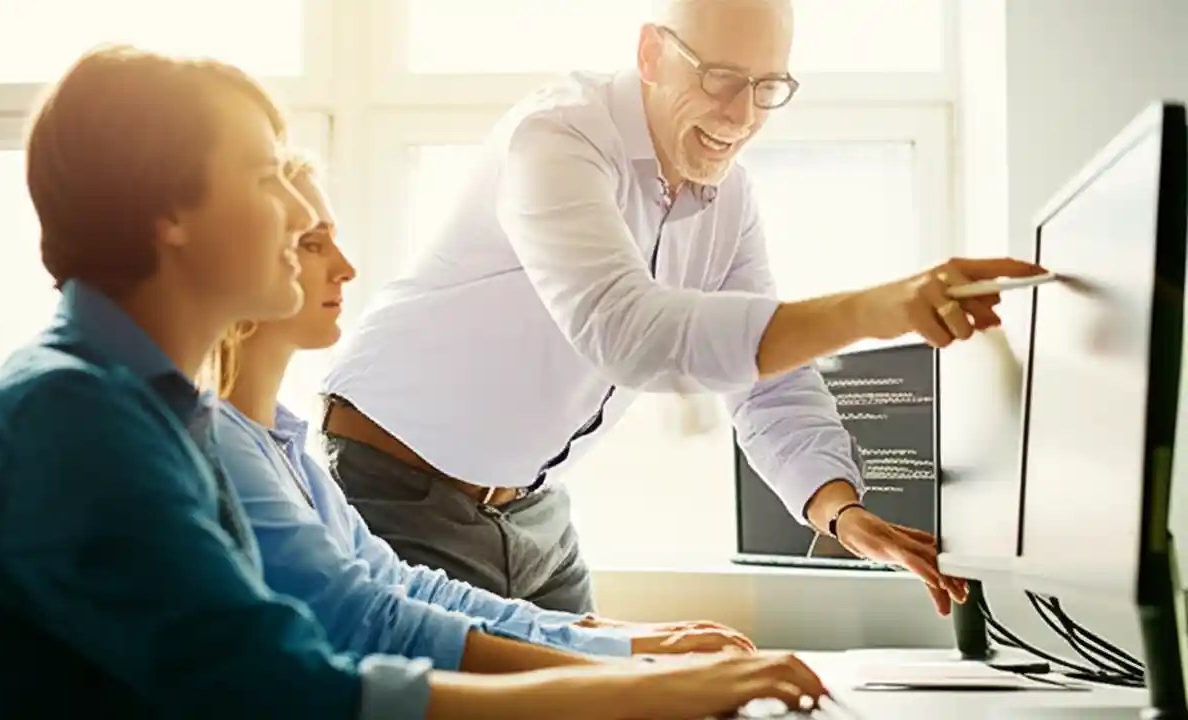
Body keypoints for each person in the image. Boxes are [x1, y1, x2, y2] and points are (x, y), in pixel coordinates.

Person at [0, 45, 831, 718]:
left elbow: (362, 606)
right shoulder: (73, 414)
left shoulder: (154, 412)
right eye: (268, 178)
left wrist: (628, 667)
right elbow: (277, 681)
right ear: (170, 215)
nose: (303, 219)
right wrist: (632, 689)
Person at [320, 0, 1034, 615]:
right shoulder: (559, 137)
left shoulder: (731, 200)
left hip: (530, 509)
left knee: (616, 699)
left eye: (768, 87)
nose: (744, 115)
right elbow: (631, 335)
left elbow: (764, 378)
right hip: (392, 490)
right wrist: (883, 307)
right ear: (651, 53)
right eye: (722, 79)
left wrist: (838, 509)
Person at [209, 152, 759, 676]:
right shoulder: (221, 450)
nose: (347, 269)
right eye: (309, 243)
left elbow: (407, 587)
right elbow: (368, 621)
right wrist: (631, 670)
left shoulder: (287, 456)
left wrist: (625, 644)